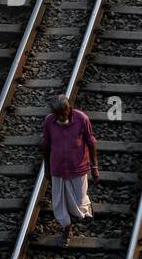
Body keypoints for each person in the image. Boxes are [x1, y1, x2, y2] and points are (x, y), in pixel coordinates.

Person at [40, 94, 100, 245]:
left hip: (78, 168)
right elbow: (45, 146)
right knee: (60, 203)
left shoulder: (81, 119)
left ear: (68, 109)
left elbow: (91, 142)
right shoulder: (49, 122)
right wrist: (47, 168)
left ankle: (82, 212)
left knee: (79, 200)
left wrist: (94, 166)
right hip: (58, 168)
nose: (60, 117)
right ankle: (67, 229)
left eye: (63, 113)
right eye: (57, 114)